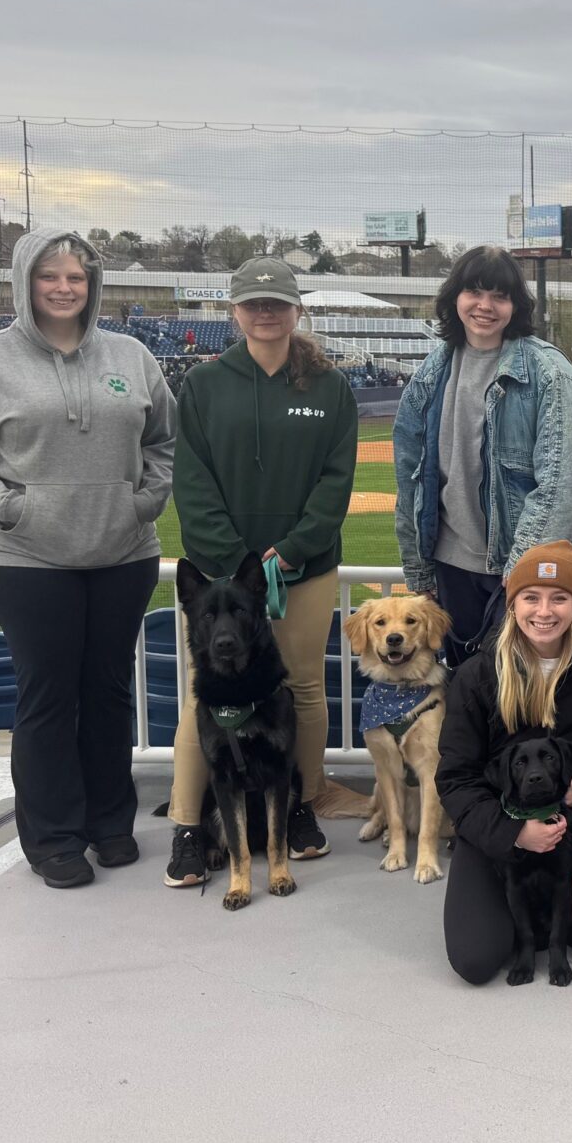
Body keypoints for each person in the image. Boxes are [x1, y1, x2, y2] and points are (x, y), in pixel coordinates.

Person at [0, 229, 174, 889]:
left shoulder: (132, 353)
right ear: (24, 281)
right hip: (26, 560)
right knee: (46, 698)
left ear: (93, 285)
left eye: (77, 276)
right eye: (50, 276)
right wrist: (12, 509)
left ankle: (108, 822)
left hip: (123, 553)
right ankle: (52, 838)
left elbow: (165, 441)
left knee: (109, 693)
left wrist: (144, 501)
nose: (65, 288)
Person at [163, 256, 359, 889]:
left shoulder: (328, 386)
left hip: (303, 566)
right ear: (234, 312)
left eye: (277, 302)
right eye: (253, 304)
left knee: (301, 687)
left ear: (297, 309)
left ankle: (299, 807)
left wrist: (292, 550)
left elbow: (336, 482)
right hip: (226, 579)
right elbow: (191, 481)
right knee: (210, 695)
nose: (266, 313)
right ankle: (189, 827)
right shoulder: (203, 385)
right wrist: (234, 562)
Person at [435, 540, 572, 983]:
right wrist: (514, 833)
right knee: (476, 961)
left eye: (560, 598)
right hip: (498, 821)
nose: (544, 611)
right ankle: (515, 904)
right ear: (512, 604)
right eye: (530, 597)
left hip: (571, 814)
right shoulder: (477, 675)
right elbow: (456, 778)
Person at [393, 245, 572, 665]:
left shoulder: (547, 371)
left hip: (522, 572)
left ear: (514, 306)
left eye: (499, 296)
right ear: (455, 298)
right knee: (469, 693)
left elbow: (566, 482)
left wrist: (520, 570)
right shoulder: (431, 372)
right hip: (452, 568)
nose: (485, 306)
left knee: (526, 697)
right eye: (474, 292)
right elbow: (410, 479)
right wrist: (420, 570)